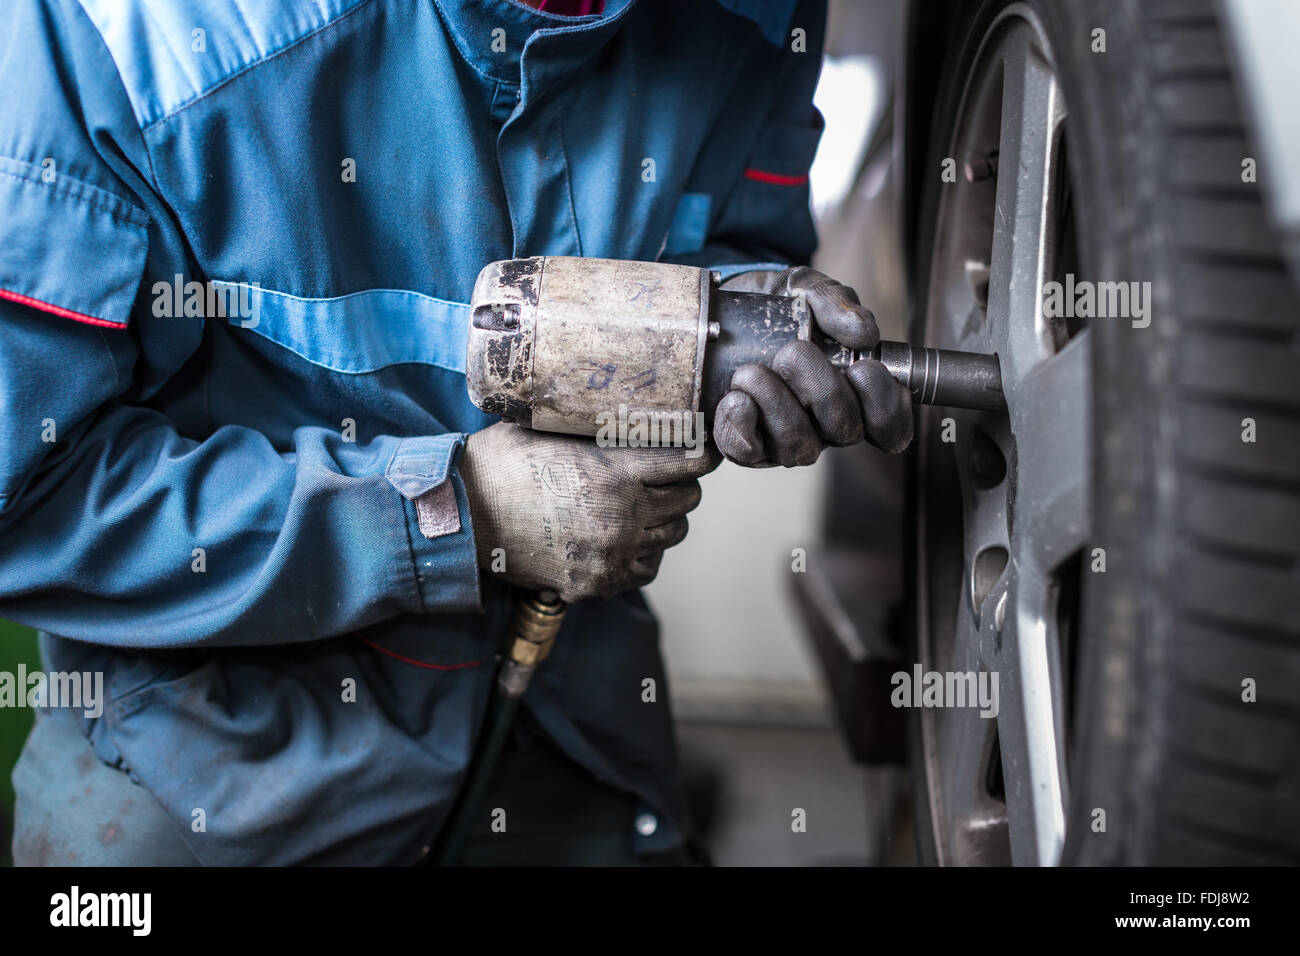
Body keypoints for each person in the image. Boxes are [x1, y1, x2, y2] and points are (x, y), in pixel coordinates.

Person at [0, 0, 910, 865]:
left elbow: (734, 227)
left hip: (577, 725)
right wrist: (459, 514)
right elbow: (24, 499)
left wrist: (728, 319)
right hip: (217, 778)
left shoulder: (759, 12)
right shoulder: (124, 36)